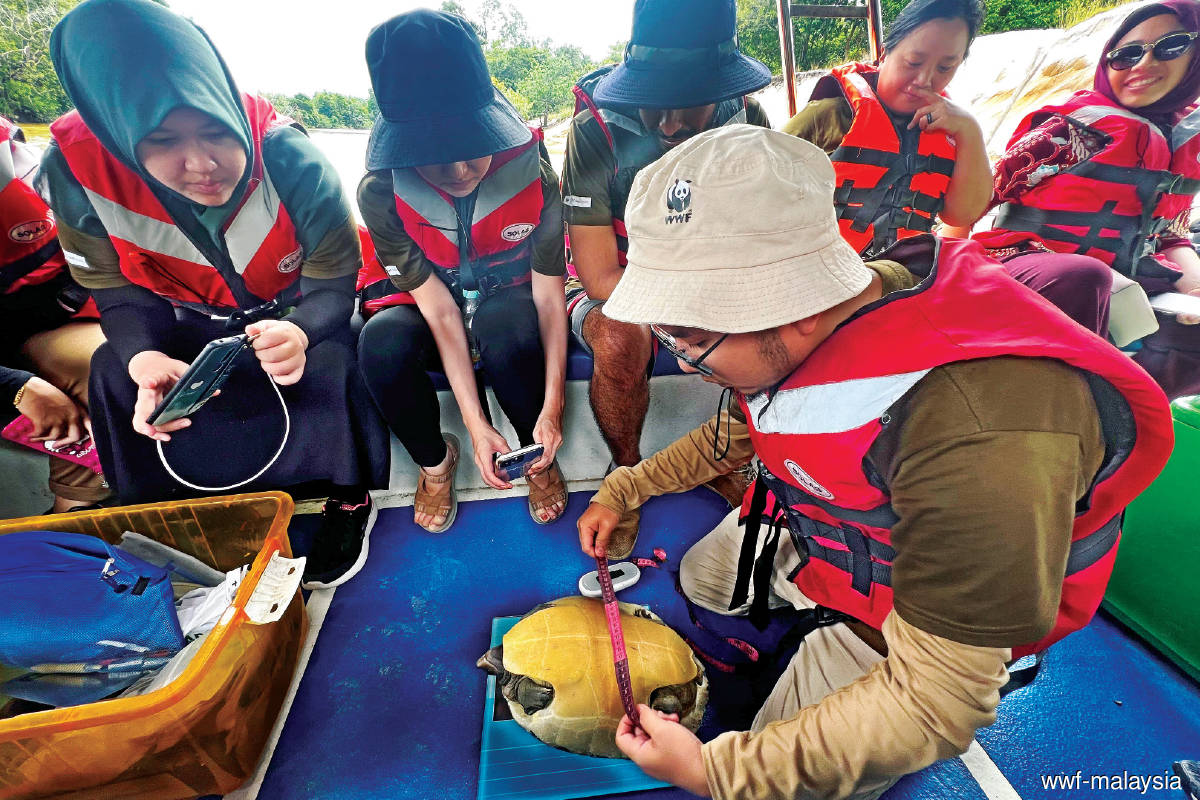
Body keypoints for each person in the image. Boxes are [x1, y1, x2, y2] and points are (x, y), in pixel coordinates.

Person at [576, 126, 1173, 799]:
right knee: (704, 581)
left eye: (686, 337)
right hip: (831, 530)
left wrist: (713, 771)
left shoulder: (984, 427)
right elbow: (747, 434)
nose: (685, 365)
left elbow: (941, 700)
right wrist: (625, 488)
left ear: (793, 305)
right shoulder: (822, 320)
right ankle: (796, 634)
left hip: (913, 620)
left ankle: (832, 658)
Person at [38, 0, 389, 588]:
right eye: (165, 139)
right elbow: (119, 295)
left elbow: (333, 284)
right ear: (119, 135)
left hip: (293, 311)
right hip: (187, 315)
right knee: (113, 369)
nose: (201, 163)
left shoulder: (287, 155)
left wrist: (300, 330)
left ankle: (345, 498)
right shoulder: (75, 173)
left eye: (214, 131)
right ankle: (160, 511)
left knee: (336, 355)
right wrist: (144, 357)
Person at [561, 0, 771, 557]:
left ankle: (729, 454)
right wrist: (678, 324)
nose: (670, 125)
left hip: (710, 275)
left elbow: (762, 241)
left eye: (687, 104)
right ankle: (624, 478)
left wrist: (720, 310)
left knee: (766, 322)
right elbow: (599, 271)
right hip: (619, 280)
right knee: (619, 338)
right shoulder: (592, 132)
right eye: (656, 103)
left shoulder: (748, 121)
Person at [356, 11, 568, 533]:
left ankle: (535, 449)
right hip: (437, 308)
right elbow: (441, 314)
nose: (458, 171)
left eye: (469, 145)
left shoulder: (534, 172)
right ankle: (437, 461)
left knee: (507, 330)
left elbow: (548, 299)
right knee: (379, 343)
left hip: (507, 301)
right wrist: (475, 426)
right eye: (432, 154)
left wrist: (554, 408)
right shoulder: (381, 195)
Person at [971, 0, 1200, 396]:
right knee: (1085, 278)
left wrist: (1195, 291)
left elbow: (1173, 235)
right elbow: (978, 198)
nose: (1143, 64)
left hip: (1131, 280)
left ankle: (1122, 409)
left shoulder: (1185, 146)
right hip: (1033, 265)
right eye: (1127, 54)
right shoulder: (1072, 130)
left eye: (1170, 46)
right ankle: (1065, 402)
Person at [783, 0, 993, 262]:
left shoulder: (952, 130)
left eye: (944, 68)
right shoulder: (827, 116)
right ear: (884, 53)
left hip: (906, 278)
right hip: (823, 274)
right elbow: (760, 191)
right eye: (914, 62)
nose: (924, 80)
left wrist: (970, 131)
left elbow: (961, 216)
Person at [0, 116, 108, 513]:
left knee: (105, 367)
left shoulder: (26, 164)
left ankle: (77, 511)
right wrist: (17, 387)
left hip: (46, 318)